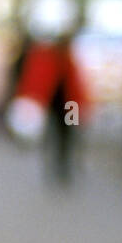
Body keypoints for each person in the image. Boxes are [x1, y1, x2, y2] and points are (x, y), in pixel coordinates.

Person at [15, 30, 89, 185]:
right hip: (58, 105)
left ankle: (64, 167)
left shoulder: (66, 59)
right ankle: (58, 167)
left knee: (68, 136)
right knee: (58, 136)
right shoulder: (52, 58)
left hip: (69, 104)